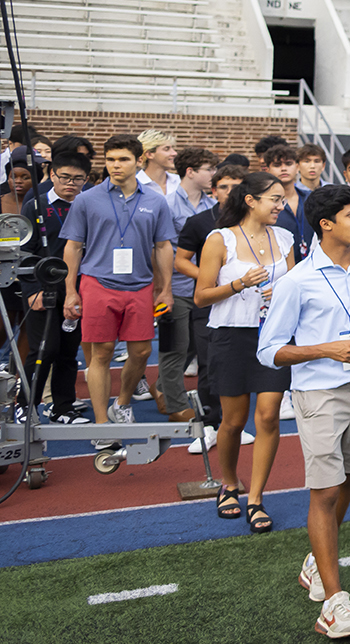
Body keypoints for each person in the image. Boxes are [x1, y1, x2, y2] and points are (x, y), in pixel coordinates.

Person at [258, 186, 350, 639]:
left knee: (348, 481)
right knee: (323, 490)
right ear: (326, 224)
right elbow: (268, 351)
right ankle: (335, 605)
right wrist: (326, 350)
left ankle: (315, 561)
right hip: (318, 394)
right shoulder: (297, 280)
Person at [61, 135, 181, 454]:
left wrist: (165, 288)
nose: (116, 165)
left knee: (141, 352)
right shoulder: (87, 199)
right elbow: (72, 246)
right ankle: (103, 426)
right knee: (100, 353)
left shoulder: (155, 201)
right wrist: (70, 290)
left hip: (140, 285)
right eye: (111, 159)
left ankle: (122, 403)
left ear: (139, 161)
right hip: (98, 283)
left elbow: (164, 246)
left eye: (123, 159)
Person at [196, 172, 297, 532]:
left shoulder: (285, 238)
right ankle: (229, 483)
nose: (280, 206)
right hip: (230, 336)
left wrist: (281, 294)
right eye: (274, 199)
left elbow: (296, 287)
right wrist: (239, 283)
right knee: (234, 421)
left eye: (282, 199)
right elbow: (201, 295)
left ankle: (256, 497)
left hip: (273, 336)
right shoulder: (219, 239)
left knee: (268, 417)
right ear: (251, 200)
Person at [176, 163, 247, 451]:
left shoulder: (255, 224)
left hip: (248, 306)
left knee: (241, 366)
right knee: (208, 365)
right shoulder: (199, 222)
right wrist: (212, 278)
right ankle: (208, 425)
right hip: (208, 305)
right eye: (224, 187)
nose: (230, 193)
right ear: (214, 190)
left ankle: (235, 424)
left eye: (237, 187)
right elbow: (181, 261)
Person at [157, 148, 219, 439]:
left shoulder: (214, 205)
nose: (213, 174)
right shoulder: (166, 205)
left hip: (208, 292)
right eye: (209, 168)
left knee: (198, 348)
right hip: (179, 289)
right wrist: (162, 288)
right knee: (176, 348)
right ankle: (175, 403)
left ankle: (162, 388)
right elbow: (160, 249)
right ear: (191, 171)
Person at [22, 151, 88, 425]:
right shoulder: (35, 206)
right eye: (64, 177)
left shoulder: (87, 206)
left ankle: (63, 408)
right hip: (45, 288)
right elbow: (24, 251)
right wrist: (32, 290)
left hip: (80, 288)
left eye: (78, 179)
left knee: (69, 352)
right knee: (44, 350)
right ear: (52, 176)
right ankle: (26, 405)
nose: (70, 184)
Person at [136, 128, 176, 193]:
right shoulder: (136, 185)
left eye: (172, 148)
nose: (174, 153)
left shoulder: (179, 182)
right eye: (166, 149)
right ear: (149, 154)